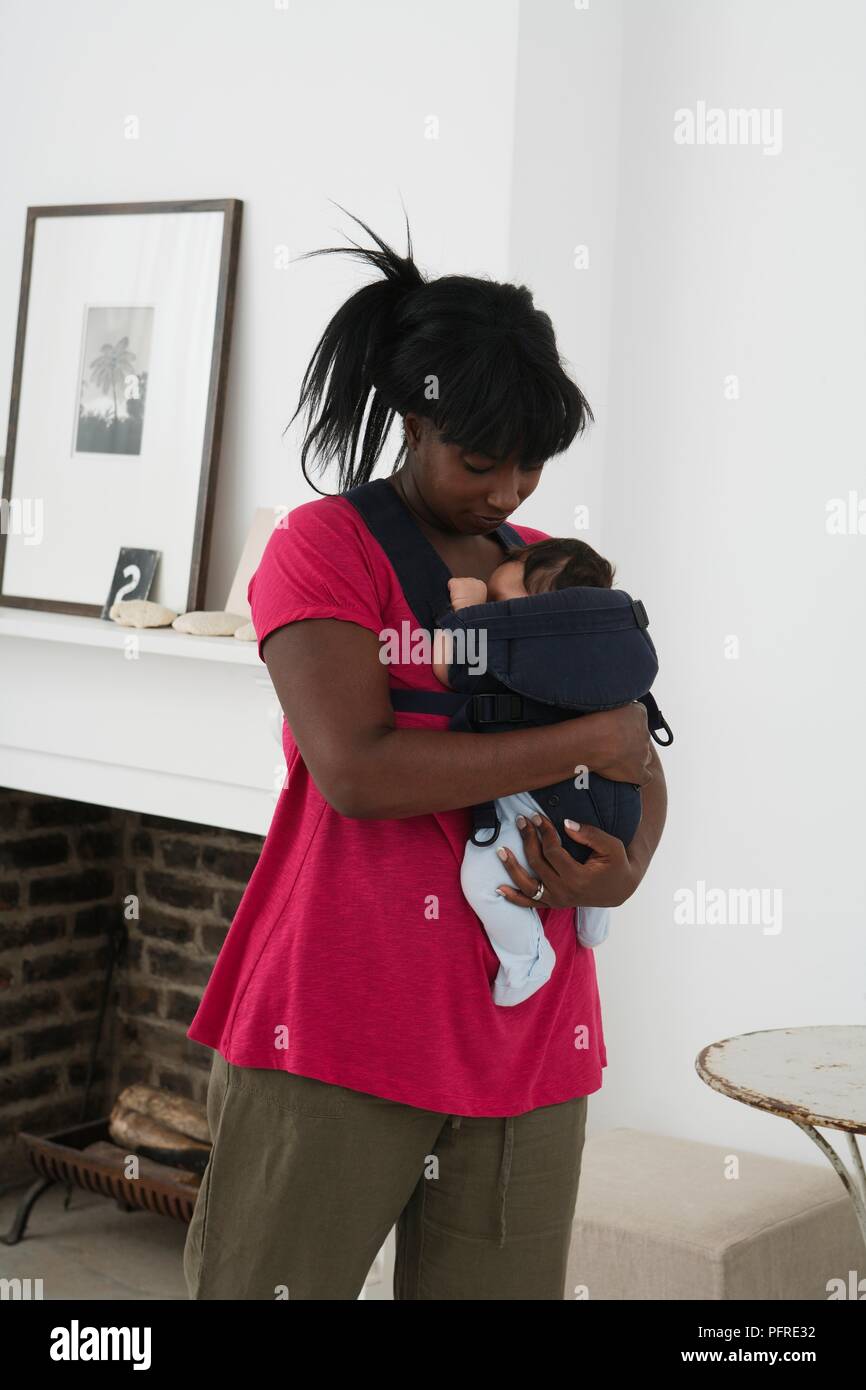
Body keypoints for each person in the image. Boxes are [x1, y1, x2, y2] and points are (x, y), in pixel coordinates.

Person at [183, 205, 667, 1301]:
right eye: (480, 460)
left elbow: (635, 752)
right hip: (339, 1023)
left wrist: (625, 866)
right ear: (413, 418)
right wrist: (585, 734)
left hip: (528, 1036)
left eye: (530, 465)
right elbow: (357, 771)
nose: (505, 492)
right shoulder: (325, 549)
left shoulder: (552, 570)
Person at [432, 537, 622, 1008]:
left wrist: (469, 614)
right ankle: (593, 919)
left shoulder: (524, 655)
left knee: (485, 883)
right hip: (605, 800)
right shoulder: (596, 653)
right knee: (590, 850)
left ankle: (529, 959)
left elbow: (447, 669)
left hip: (536, 799)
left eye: (503, 600)